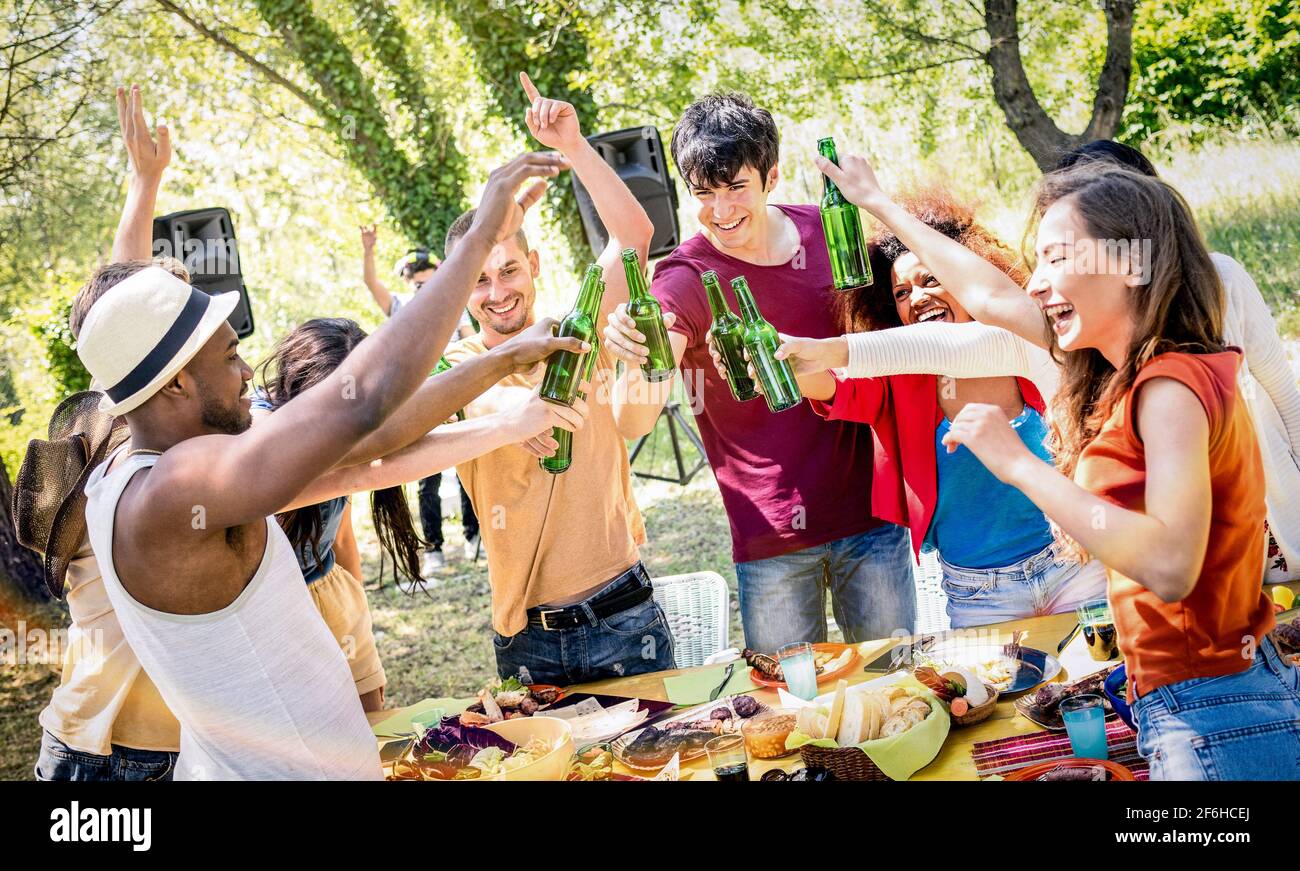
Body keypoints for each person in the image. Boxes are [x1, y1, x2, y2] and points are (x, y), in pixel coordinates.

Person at [72, 144, 565, 779]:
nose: (248, 371)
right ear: (173, 386)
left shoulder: (173, 460)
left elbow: (366, 440)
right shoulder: (171, 491)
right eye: (227, 357)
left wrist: (501, 358)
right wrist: (477, 243)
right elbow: (357, 407)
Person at [818, 150, 1298, 780]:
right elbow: (986, 301)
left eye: (1057, 259)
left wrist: (1019, 464)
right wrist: (877, 207)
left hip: (1213, 713)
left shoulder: (1168, 391)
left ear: (1128, 265)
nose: (1035, 282)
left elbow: (1171, 566)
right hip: (1199, 696)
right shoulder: (1126, 363)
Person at [601, 91, 914, 652]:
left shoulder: (828, 235)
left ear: (771, 176)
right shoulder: (687, 277)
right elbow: (633, 420)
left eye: (735, 188)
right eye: (703, 194)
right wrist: (637, 352)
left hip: (871, 517)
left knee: (897, 679)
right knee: (790, 709)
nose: (720, 212)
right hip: (772, 538)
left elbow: (889, 346)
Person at [439, 72, 676, 686]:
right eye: (480, 279)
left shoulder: (580, 328)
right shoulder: (453, 371)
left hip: (624, 614)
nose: (497, 292)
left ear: (534, 265)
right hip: (529, 644)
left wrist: (573, 147)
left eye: (509, 269)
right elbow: (434, 413)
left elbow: (635, 237)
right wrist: (504, 424)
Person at [775, 189, 1106, 627]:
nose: (916, 298)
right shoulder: (899, 373)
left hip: (1074, 564)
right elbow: (834, 389)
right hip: (980, 592)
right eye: (901, 292)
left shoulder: (1026, 347)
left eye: (931, 280)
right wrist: (783, 361)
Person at [361, 229, 481, 573]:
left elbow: (471, 347)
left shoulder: (454, 307)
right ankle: (434, 550)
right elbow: (372, 285)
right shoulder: (401, 308)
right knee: (427, 475)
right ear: (408, 284)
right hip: (418, 397)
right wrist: (369, 251)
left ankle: (474, 537)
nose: (424, 292)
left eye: (430, 284)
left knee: (467, 463)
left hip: (455, 391)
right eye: (418, 286)